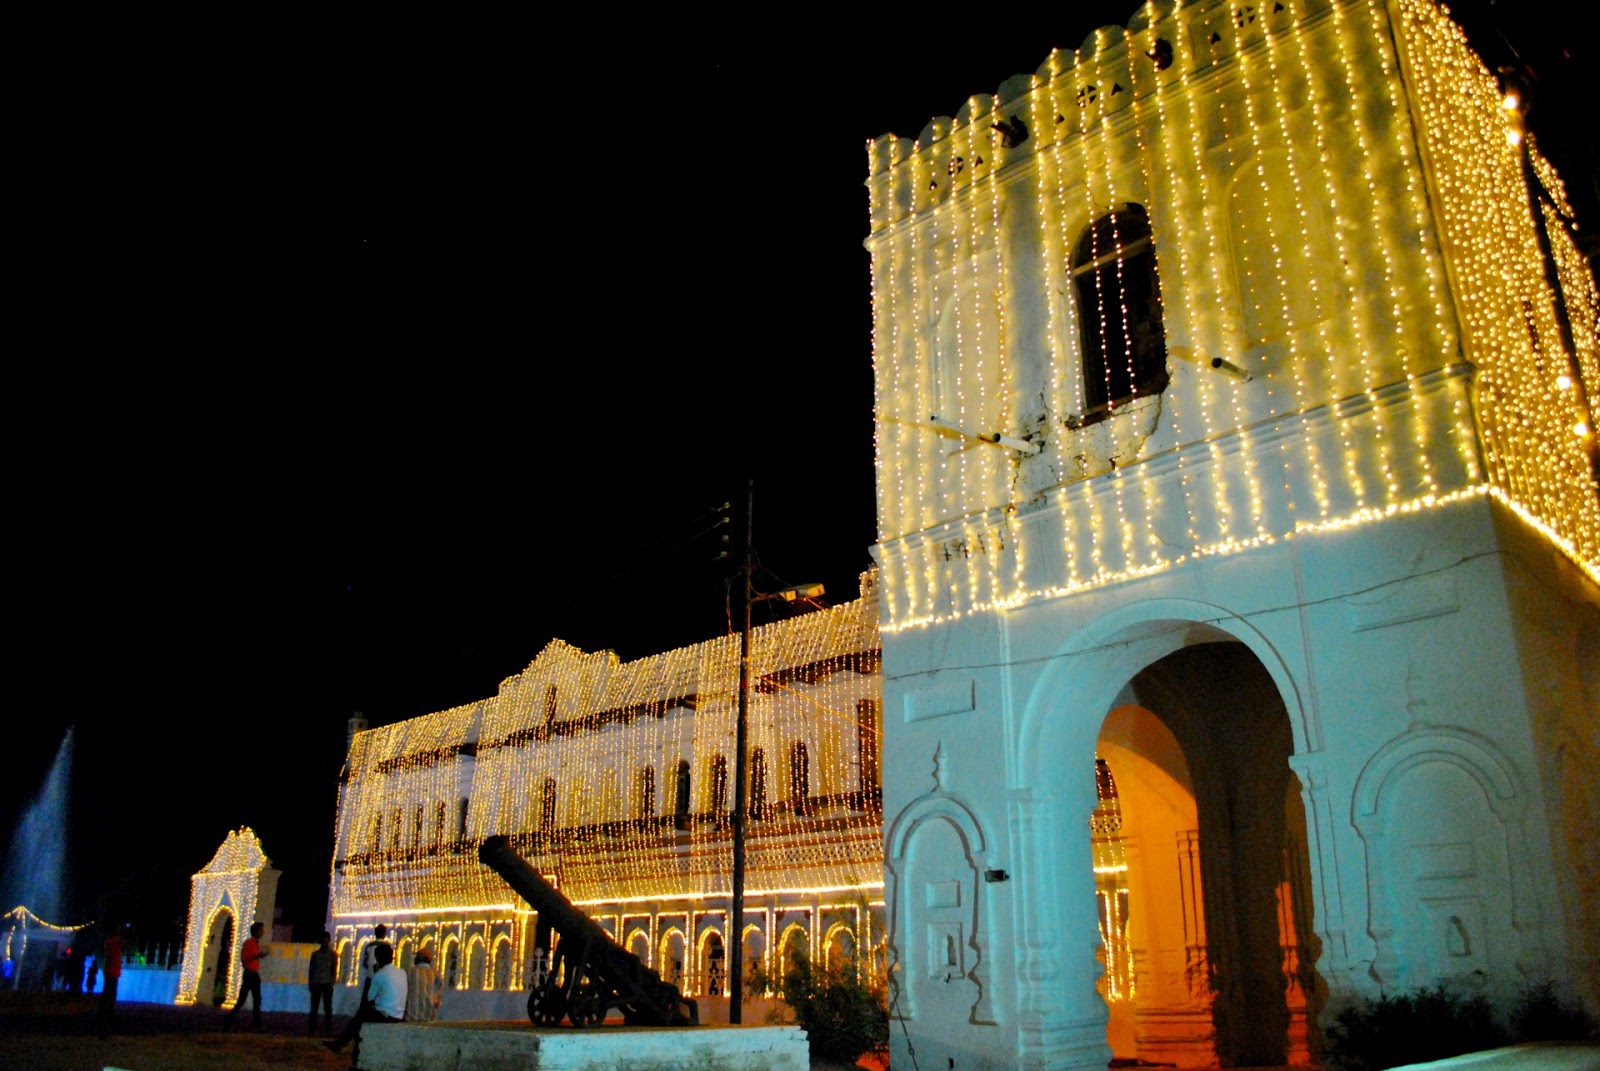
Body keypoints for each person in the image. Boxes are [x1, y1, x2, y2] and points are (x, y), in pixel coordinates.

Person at [327, 941, 405, 1066]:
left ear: (378, 959)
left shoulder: (380, 974)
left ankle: (353, 1056)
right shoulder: (402, 972)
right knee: (361, 1017)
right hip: (399, 1014)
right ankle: (341, 1043)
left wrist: (375, 974)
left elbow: (370, 997)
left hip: (385, 1015)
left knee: (360, 1020)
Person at [224, 922, 269, 1031]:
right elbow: (245, 958)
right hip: (250, 974)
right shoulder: (249, 943)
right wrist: (258, 955)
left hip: (253, 973)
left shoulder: (253, 943)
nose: (263, 932)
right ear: (257, 931)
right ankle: (253, 1024)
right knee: (249, 999)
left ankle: (235, 1022)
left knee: (253, 999)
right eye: (261, 930)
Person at [97, 925, 125, 1038]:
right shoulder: (118, 941)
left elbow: (105, 950)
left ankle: (103, 1010)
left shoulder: (109, 941)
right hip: (113, 970)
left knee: (107, 991)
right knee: (111, 992)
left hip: (109, 970)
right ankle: (108, 1011)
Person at [307, 931, 336, 1036]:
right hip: (317, 983)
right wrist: (310, 982)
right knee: (314, 1007)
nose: (325, 942)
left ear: (329, 940)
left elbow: (334, 969)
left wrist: (332, 981)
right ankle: (312, 1028)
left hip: (327, 983)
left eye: (326, 939)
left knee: (327, 1007)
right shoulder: (315, 955)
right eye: (323, 939)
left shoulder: (332, 954)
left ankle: (327, 1029)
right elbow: (311, 969)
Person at [404, 947, 441, 1023]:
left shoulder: (407, 972)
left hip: (409, 1017)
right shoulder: (435, 974)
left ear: (417, 959)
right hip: (428, 1018)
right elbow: (438, 999)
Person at [358, 923, 390, 999]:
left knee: (366, 999)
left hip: (370, 977)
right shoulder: (387, 947)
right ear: (384, 934)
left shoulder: (369, 946)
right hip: (382, 978)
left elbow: (365, 963)